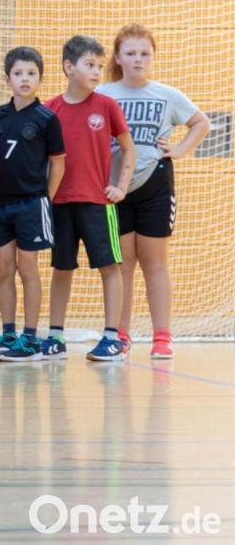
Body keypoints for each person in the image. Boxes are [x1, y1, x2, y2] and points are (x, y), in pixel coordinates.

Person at [97, 24, 210, 358]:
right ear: (118, 56)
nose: (138, 59)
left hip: (155, 185)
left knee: (155, 263)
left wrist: (179, 150)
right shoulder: (103, 94)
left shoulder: (166, 95)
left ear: (153, 57)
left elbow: (200, 122)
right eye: (130, 53)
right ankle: (121, 333)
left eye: (144, 53)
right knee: (123, 265)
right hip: (114, 188)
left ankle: (162, 336)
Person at [36, 35, 135, 363]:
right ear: (69, 67)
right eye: (89, 65)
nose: (96, 71)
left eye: (98, 65)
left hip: (97, 202)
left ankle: (112, 337)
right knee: (61, 268)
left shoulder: (107, 106)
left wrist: (120, 186)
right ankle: (55, 336)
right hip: (59, 203)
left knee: (110, 267)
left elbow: (128, 148)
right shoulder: (49, 109)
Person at [0, 47, 65, 361]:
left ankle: (30, 337)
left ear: (40, 78)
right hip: (0, 206)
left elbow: (58, 163)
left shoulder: (47, 119)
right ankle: (9, 331)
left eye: (31, 73)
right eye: (18, 73)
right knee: (3, 269)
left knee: (28, 269)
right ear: (7, 79)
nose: (24, 79)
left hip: (31, 204)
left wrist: (44, 199)